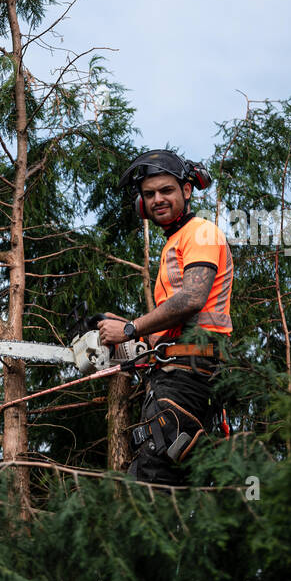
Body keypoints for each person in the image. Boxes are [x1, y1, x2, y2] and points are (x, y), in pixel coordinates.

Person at [97, 150, 233, 485]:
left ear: (186, 191)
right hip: (176, 374)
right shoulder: (175, 241)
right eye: (149, 194)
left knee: (156, 481)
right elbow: (177, 322)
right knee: (154, 473)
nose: (157, 199)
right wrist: (138, 336)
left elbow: (192, 298)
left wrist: (129, 329)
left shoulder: (200, 232)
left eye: (166, 190)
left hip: (190, 376)